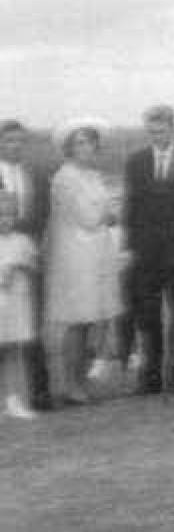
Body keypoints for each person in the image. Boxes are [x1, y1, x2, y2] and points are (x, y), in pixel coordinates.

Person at [123, 104, 174, 395]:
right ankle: (150, 376)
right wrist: (128, 247)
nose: (158, 135)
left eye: (163, 129)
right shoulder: (136, 161)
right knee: (148, 315)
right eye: (152, 131)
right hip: (146, 253)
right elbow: (131, 206)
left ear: (172, 128)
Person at [45, 119, 120, 405]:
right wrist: (107, 213)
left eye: (89, 141)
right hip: (75, 254)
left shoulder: (93, 175)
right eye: (79, 142)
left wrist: (107, 213)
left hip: (97, 251)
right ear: (69, 148)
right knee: (78, 320)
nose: (86, 147)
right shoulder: (65, 178)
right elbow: (88, 218)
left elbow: (109, 212)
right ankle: (71, 384)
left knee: (93, 319)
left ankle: (82, 378)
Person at [0, 120, 50, 410]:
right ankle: (9, 396)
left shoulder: (36, 175)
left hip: (28, 256)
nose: (15, 146)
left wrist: (29, 251)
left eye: (20, 141)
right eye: (9, 141)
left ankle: (38, 392)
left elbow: (42, 217)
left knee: (31, 324)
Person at [0, 191, 40, 419]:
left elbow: (34, 266)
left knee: (14, 350)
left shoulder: (22, 241)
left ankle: (14, 399)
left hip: (16, 303)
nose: (5, 219)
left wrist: (21, 266)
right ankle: (5, 399)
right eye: (1, 215)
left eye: (9, 215)